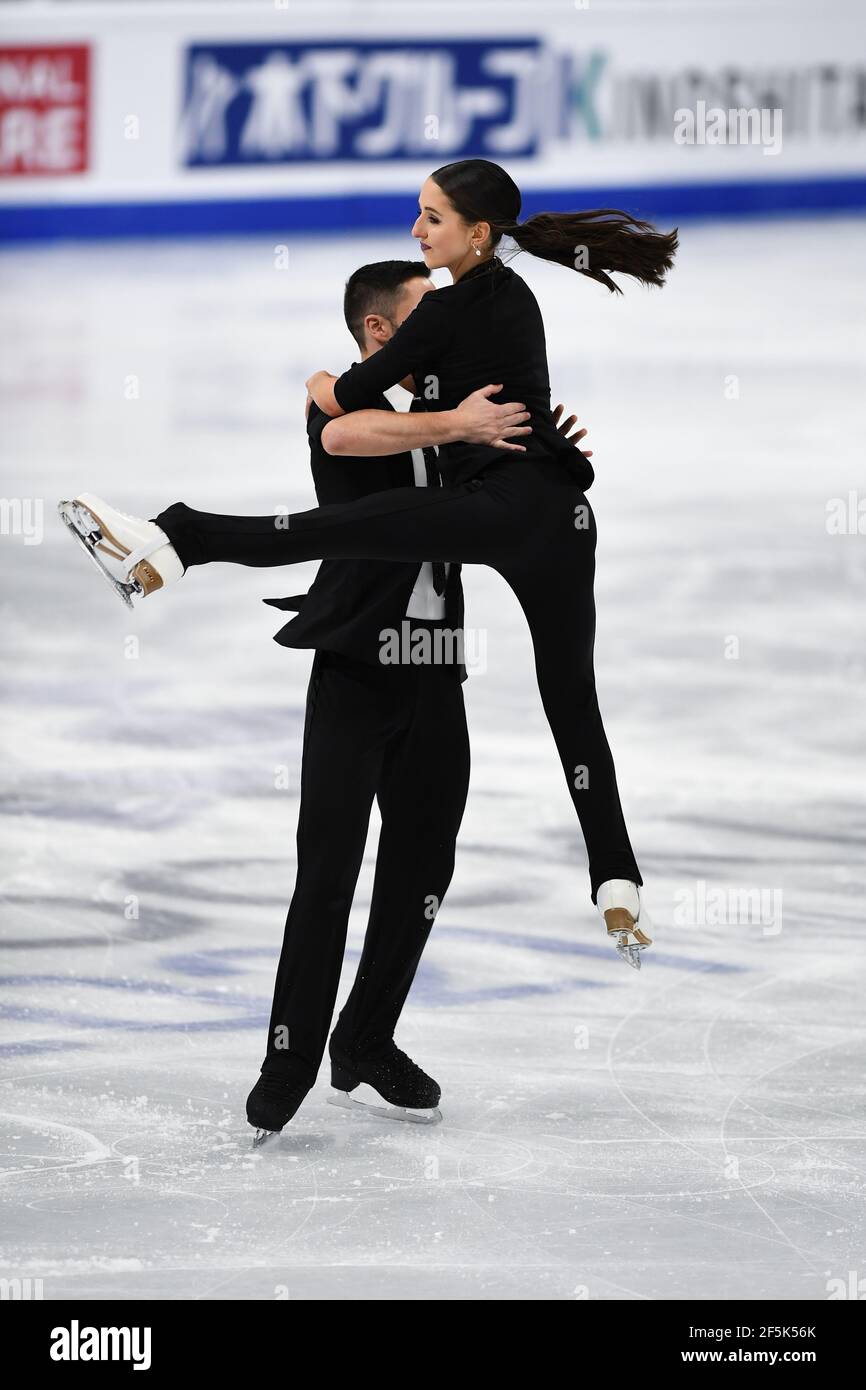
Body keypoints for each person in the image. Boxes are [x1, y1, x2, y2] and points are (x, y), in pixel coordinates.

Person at [59, 158, 677, 973]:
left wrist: (319, 378)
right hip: (564, 521)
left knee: (337, 526)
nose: (417, 232)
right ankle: (615, 877)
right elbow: (518, 409)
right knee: (572, 701)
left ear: (477, 234)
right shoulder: (517, 297)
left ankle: (173, 542)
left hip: (496, 514)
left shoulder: (444, 311)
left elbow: (347, 399)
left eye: (431, 219)